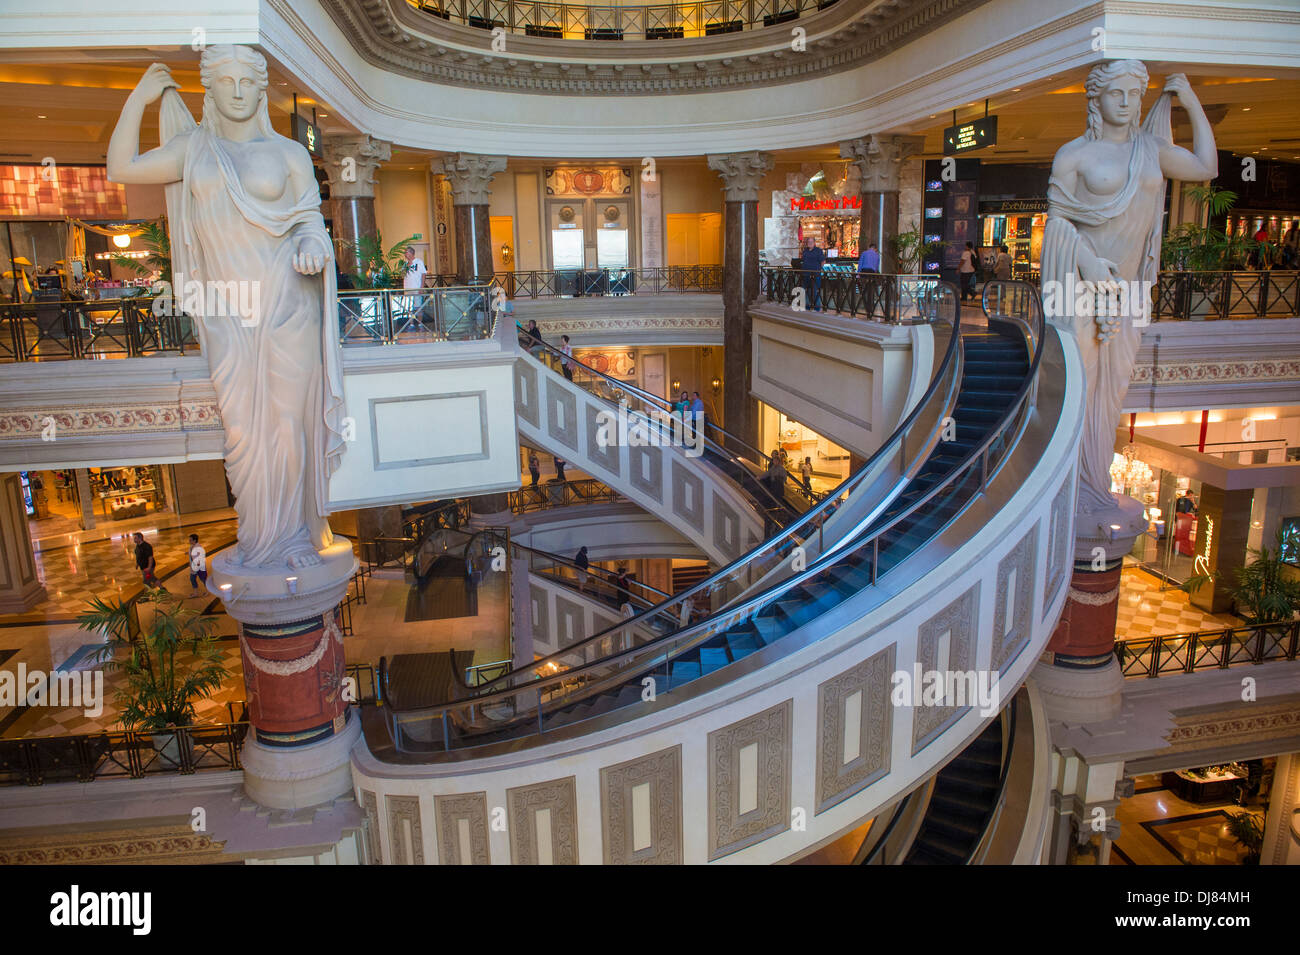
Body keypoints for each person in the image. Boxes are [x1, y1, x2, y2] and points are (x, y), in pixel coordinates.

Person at [1042, 62, 1217, 516]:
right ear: (1095, 99)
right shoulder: (1073, 155)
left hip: (1131, 291)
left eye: (1134, 94)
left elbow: (1206, 167)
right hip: (1081, 287)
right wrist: (1086, 262)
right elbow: (1057, 223)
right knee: (1080, 384)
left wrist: (1189, 100)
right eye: (1115, 93)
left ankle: (1092, 483)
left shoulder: (1151, 150)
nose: (1125, 102)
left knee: (1113, 389)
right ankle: (1066, 483)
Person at [799, 236, 826, 310]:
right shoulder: (805, 251)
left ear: (814, 243)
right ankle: (807, 307)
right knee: (805, 291)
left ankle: (817, 308)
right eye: (808, 242)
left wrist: (817, 270)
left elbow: (823, 261)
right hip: (805, 275)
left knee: (815, 292)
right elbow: (803, 261)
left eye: (811, 242)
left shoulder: (818, 250)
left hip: (815, 275)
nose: (810, 243)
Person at [187, 533, 208, 597]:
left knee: (203, 579)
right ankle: (195, 593)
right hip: (194, 567)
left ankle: (207, 591)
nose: (189, 541)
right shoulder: (192, 546)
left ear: (194, 540)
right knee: (192, 579)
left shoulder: (198, 547)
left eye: (190, 540)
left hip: (199, 567)